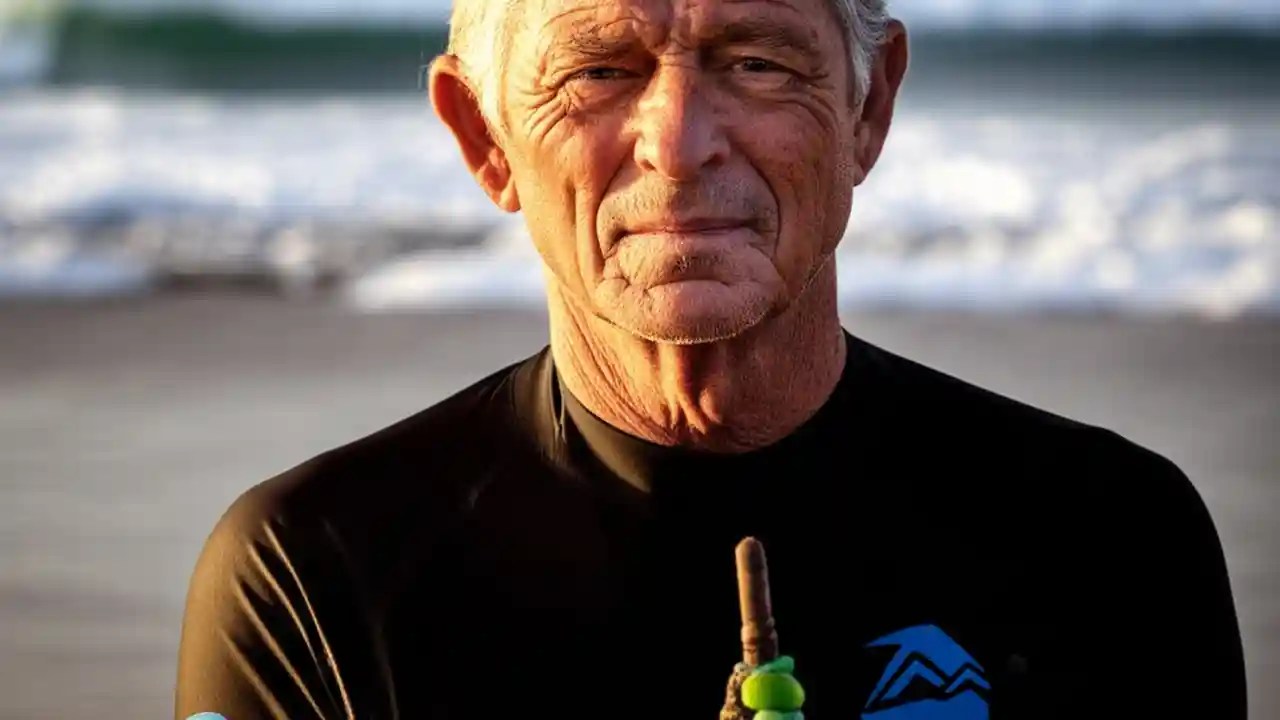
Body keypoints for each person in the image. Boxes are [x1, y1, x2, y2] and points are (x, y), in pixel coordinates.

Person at [174, 0, 1247, 717]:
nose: (680, 141)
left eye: (755, 61)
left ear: (868, 107)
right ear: (484, 138)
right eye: (597, 68)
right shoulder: (312, 572)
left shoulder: (1108, 536)